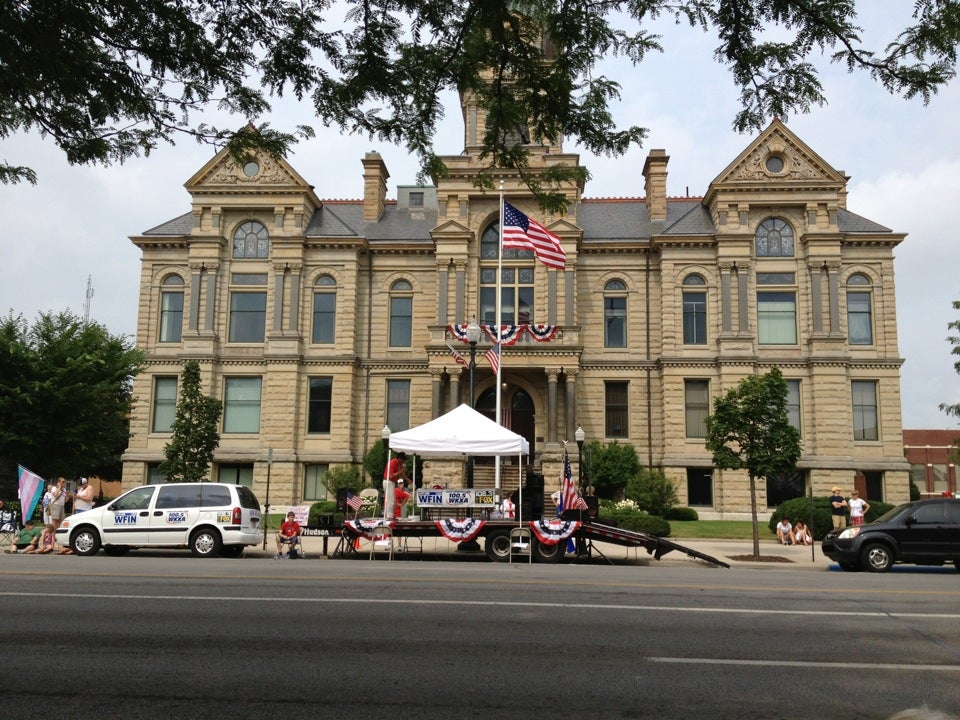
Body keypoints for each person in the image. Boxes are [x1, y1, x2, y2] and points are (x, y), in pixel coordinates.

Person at [382, 451, 409, 520]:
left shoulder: (399, 464)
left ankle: (388, 515)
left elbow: (401, 474)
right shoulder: (393, 463)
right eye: (403, 459)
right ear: (400, 458)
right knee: (390, 499)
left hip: (391, 482)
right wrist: (400, 471)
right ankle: (389, 516)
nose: (404, 461)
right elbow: (391, 475)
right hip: (388, 481)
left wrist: (408, 480)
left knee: (391, 499)